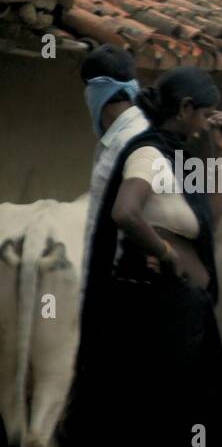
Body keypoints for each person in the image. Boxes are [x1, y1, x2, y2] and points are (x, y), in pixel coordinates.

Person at [32, 67, 222, 447]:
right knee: (156, 417)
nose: (207, 123)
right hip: (155, 311)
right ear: (183, 110)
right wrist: (163, 254)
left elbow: (205, 227)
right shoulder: (149, 156)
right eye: (204, 114)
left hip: (187, 311)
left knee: (197, 417)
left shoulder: (179, 158)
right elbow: (125, 212)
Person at [79, 45, 150, 298]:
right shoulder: (124, 137)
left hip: (122, 289)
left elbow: (126, 217)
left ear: (94, 96)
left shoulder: (129, 142)